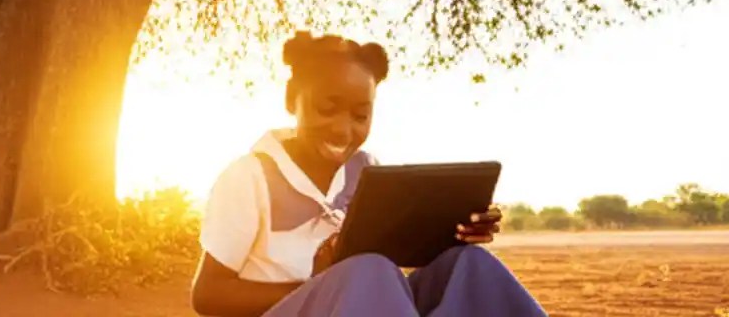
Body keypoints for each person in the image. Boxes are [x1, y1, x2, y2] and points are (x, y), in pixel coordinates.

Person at [190, 31, 546, 317]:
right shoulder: (249, 177)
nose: (343, 131)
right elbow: (208, 297)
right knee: (366, 271)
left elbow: (399, 261)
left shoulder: (366, 171)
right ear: (291, 99)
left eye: (360, 115)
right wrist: (323, 283)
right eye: (327, 109)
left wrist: (459, 230)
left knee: (469, 266)